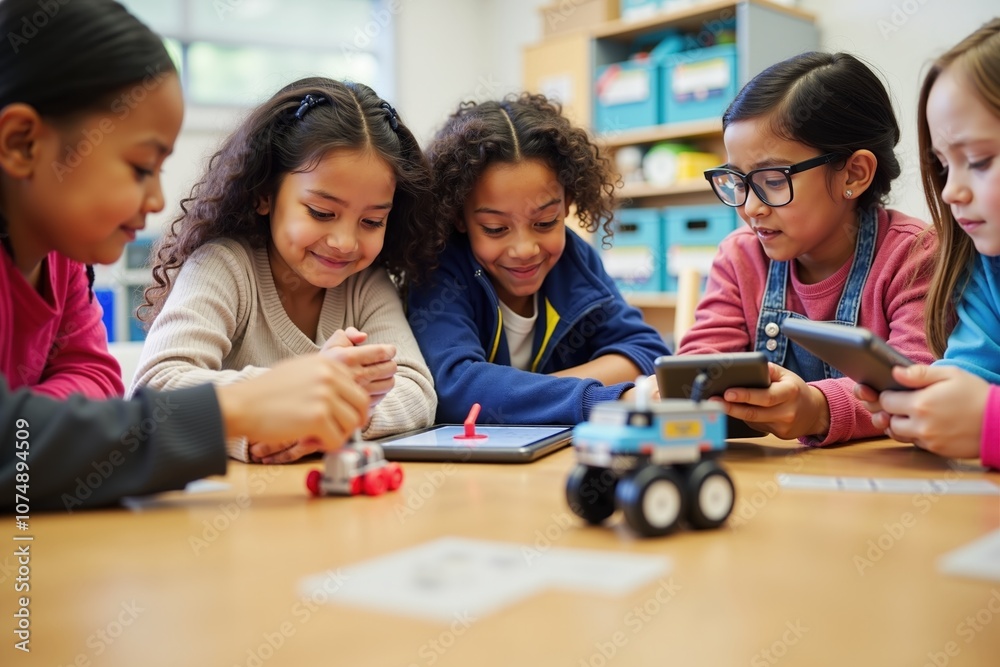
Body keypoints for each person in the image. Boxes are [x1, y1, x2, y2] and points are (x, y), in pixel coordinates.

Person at [0, 0, 370, 511]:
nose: (155, 200)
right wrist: (233, 407)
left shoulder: (62, 262)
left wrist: (43, 428)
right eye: (139, 168)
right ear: (22, 143)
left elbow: (100, 386)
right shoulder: (224, 263)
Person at [131, 77, 440, 464]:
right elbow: (156, 390)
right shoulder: (225, 266)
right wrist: (277, 412)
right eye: (321, 213)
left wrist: (334, 420)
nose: (345, 242)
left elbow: (415, 390)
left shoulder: (365, 284)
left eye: (372, 221)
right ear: (265, 193)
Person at [677, 52, 936, 445]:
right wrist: (679, 390)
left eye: (774, 179)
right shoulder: (740, 256)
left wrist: (818, 408)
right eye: (737, 180)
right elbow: (700, 361)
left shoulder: (914, 256)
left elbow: (917, 383)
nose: (750, 207)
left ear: (854, 173)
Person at [407, 93, 670, 425]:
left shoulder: (574, 260)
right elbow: (455, 389)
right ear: (459, 217)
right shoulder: (439, 270)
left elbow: (647, 352)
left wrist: (528, 394)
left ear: (568, 202)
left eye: (545, 223)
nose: (525, 249)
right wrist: (593, 398)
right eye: (496, 228)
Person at [857, 20, 1000, 471]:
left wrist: (988, 423)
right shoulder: (987, 271)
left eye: (978, 161)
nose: (950, 192)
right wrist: (921, 404)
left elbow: (982, 412)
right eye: (943, 166)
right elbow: (970, 373)